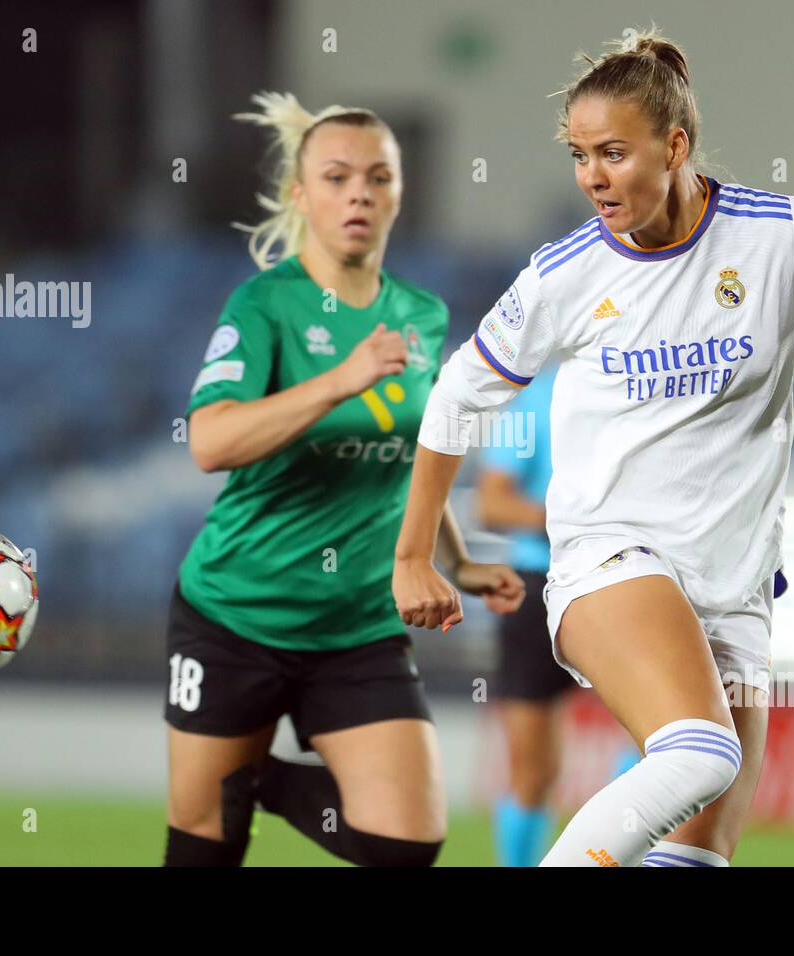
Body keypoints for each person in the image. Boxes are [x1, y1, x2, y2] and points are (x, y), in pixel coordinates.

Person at [392, 28, 794, 867]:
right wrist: (413, 549)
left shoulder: (777, 233)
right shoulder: (564, 275)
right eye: (580, 155)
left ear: (675, 145)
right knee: (700, 753)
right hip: (612, 559)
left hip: (738, 584)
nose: (592, 178)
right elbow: (457, 394)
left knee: (698, 858)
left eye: (613, 153)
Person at [164, 90, 523, 867]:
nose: (359, 191)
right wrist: (339, 380)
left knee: (406, 845)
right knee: (203, 852)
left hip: (357, 625)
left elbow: (413, 455)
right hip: (236, 613)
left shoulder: (422, 314)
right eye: (335, 177)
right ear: (300, 195)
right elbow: (210, 442)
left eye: (378, 177)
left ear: (399, 193)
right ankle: (236, 786)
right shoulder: (265, 305)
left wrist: (453, 559)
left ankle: (251, 777)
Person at [474, 363, 578, 865]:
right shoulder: (536, 400)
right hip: (537, 587)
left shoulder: (647, 384)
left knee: (659, 743)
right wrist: (571, 518)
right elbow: (491, 503)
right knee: (532, 771)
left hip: (633, 579)